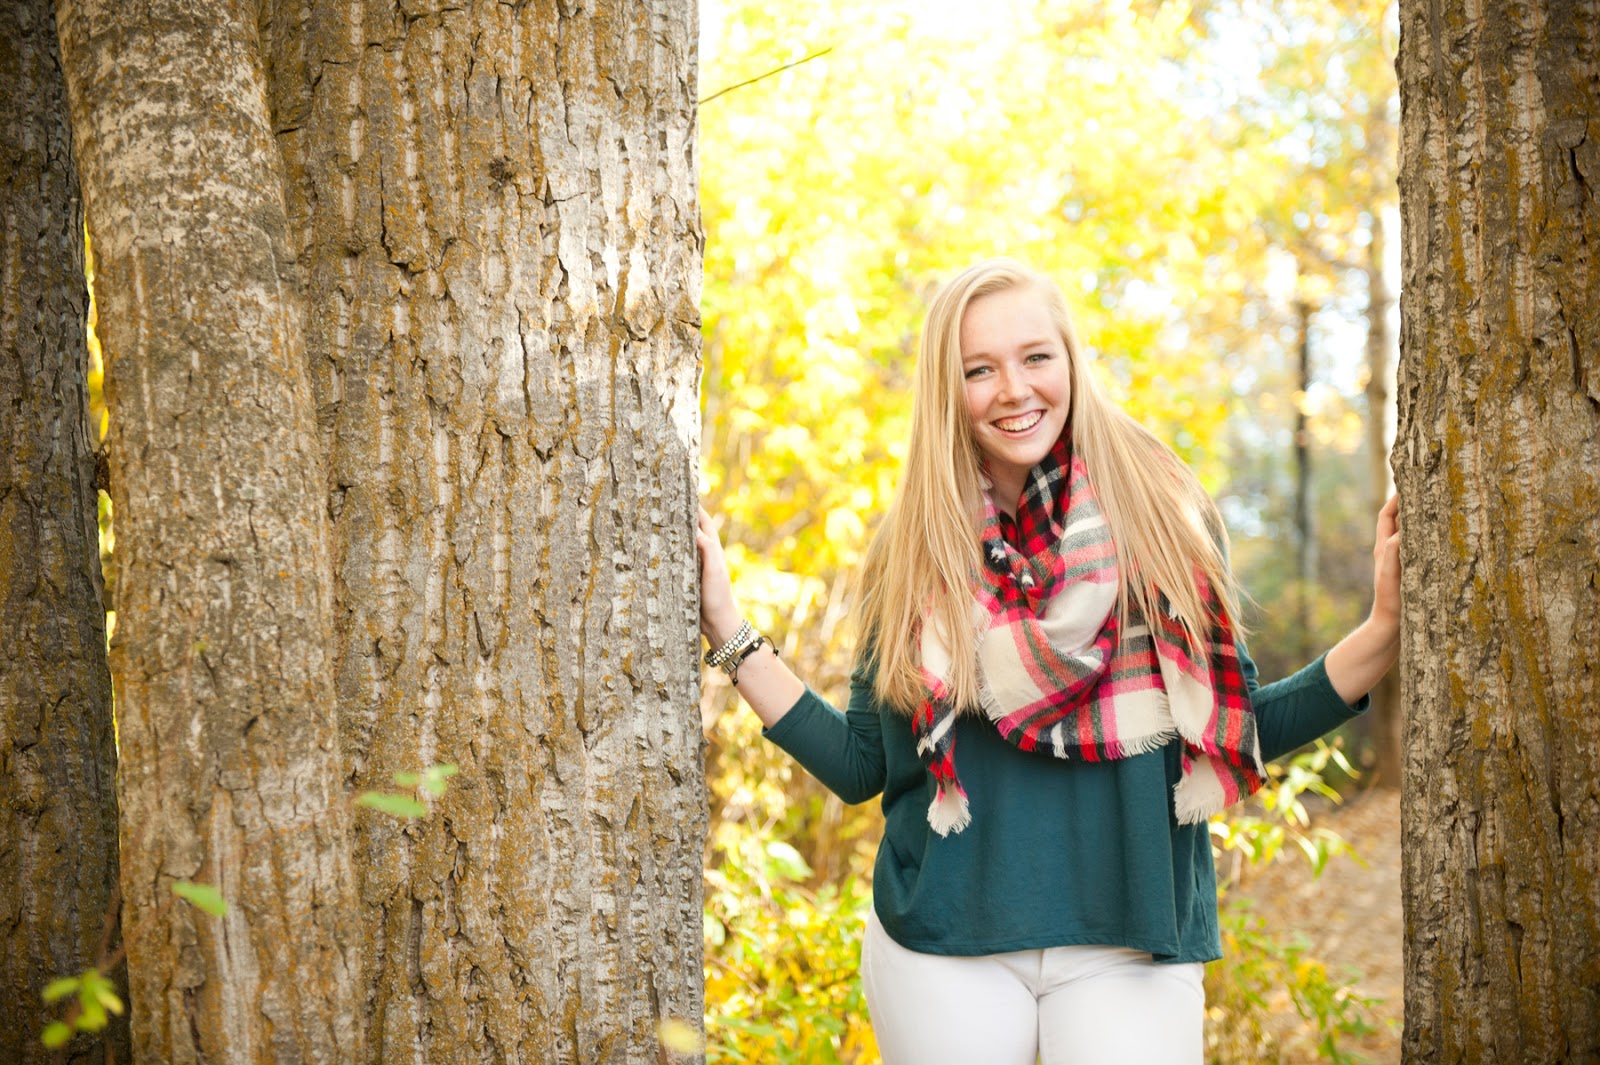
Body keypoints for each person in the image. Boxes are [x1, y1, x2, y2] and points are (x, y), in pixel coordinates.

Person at [695, 257, 1400, 1065]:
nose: (1014, 389)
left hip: (1132, 937)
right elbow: (862, 764)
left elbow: (1234, 725)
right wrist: (729, 625)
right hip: (945, 944)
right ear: (947, 389)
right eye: (979, 369)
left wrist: (1381, 632)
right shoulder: (916, 540)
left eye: (1036, 356)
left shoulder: (1164, 509)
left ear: (1071, 359)